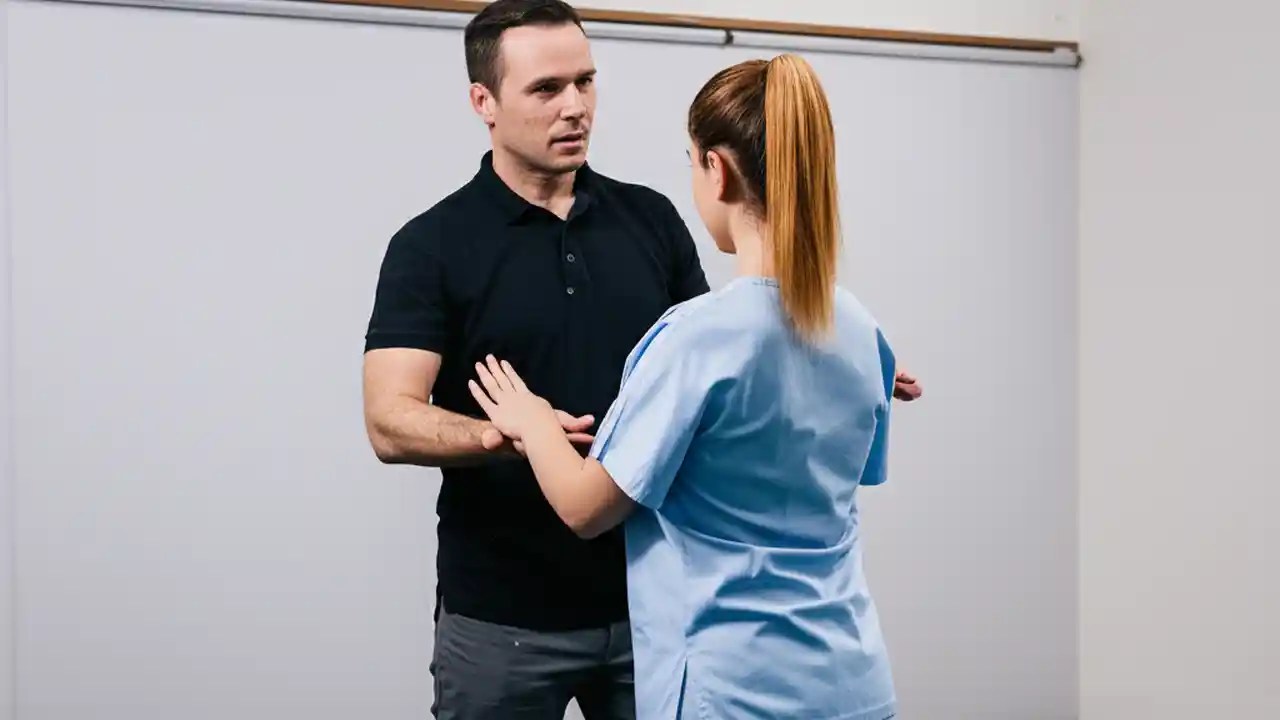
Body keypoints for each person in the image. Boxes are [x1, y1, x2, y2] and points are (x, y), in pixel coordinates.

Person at [362, 1, 919, 717]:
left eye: (585, 82)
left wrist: (810, 361)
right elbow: (389, 420)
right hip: (504, 617)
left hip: (651, 619)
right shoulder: (431, 245)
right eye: (546, 89)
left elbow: (727, 353)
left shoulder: (652, 220)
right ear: (483, 101)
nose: (576, 107)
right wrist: (496, 434)